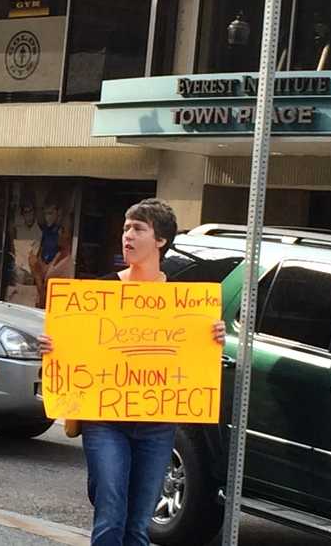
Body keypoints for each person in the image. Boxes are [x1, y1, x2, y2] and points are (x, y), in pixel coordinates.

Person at [38, 199, 226, 546]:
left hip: (156, 425)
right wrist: (53, 346)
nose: (128, 235)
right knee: (110, 513)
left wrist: (214, 337)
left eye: (138, 229)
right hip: (105, 419)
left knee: (138, 524)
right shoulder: (102, 291)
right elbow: (74, 345)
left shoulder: (183, 298)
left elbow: (195, 353)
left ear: (161, 240)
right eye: (126, 228)